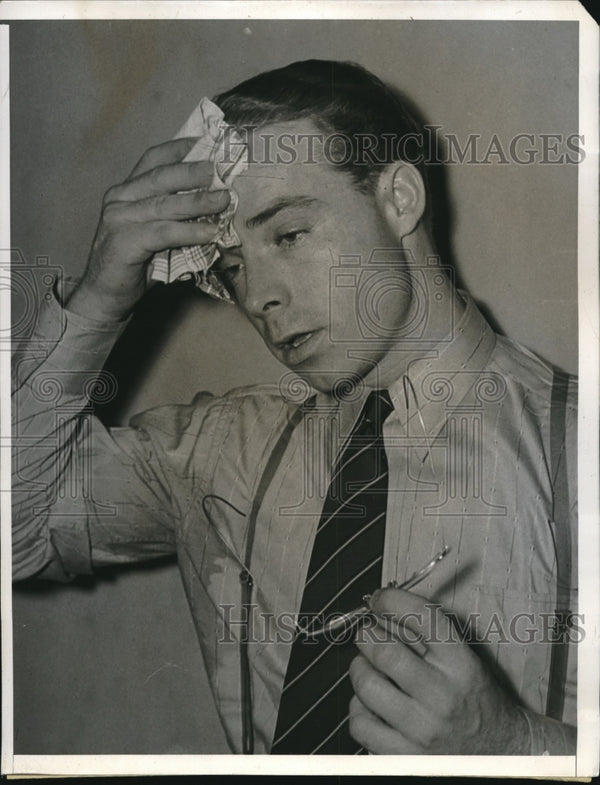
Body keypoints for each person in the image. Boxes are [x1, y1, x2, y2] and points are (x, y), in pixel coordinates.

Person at [12, 59, 577, 755]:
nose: (258, 298)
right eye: (232, 268)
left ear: (399, 199)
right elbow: (17, 528)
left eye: (288, 235)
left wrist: (516, 746)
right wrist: (99, 296)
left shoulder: (577, 453)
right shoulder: (224, 451)